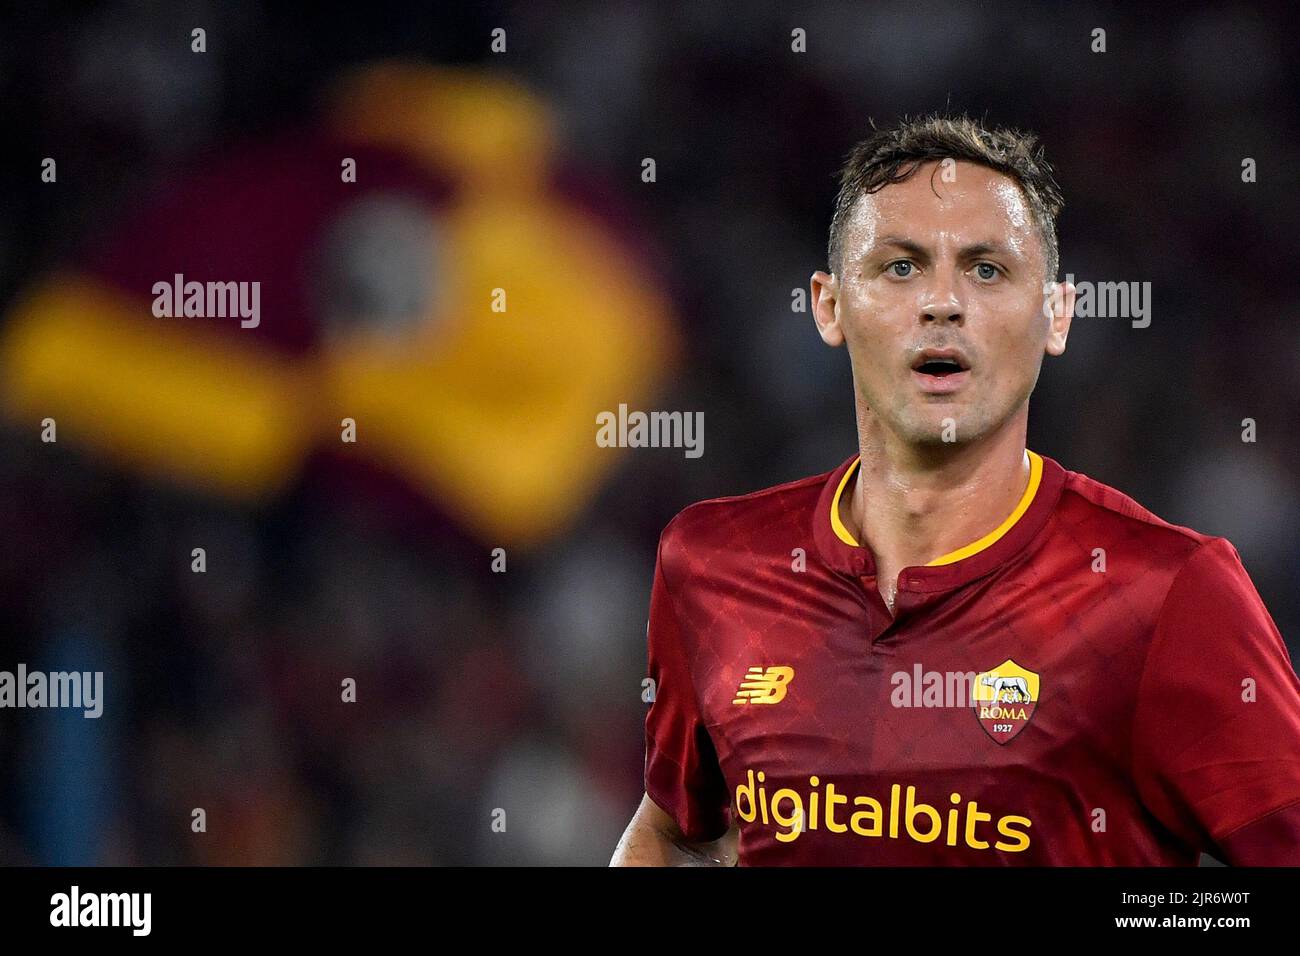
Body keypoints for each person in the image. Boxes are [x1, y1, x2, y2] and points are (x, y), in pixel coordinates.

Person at [610, 113, 1300, 866]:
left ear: (1057, 314)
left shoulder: (1165, 595)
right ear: (829, 306)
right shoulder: (714, 565)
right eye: (900, 267)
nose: (943, 302)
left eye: (987, 269)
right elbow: (672, 833)